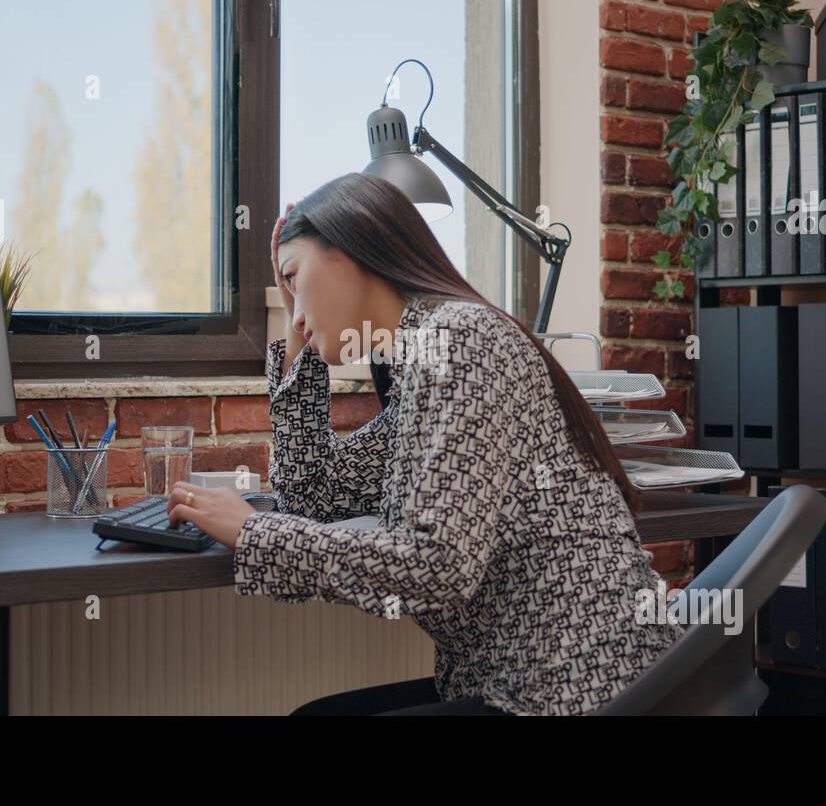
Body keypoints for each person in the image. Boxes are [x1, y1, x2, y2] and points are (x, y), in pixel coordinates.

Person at [166, 172, 682, 715]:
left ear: (347, 250)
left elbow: (436, 566)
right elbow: (314, 499)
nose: (294, 312)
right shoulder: (420, 363)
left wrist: (252, 530)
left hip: (573, 690)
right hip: (514, 681)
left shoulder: (460, 342)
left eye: (295, 278)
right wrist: (298, 348)